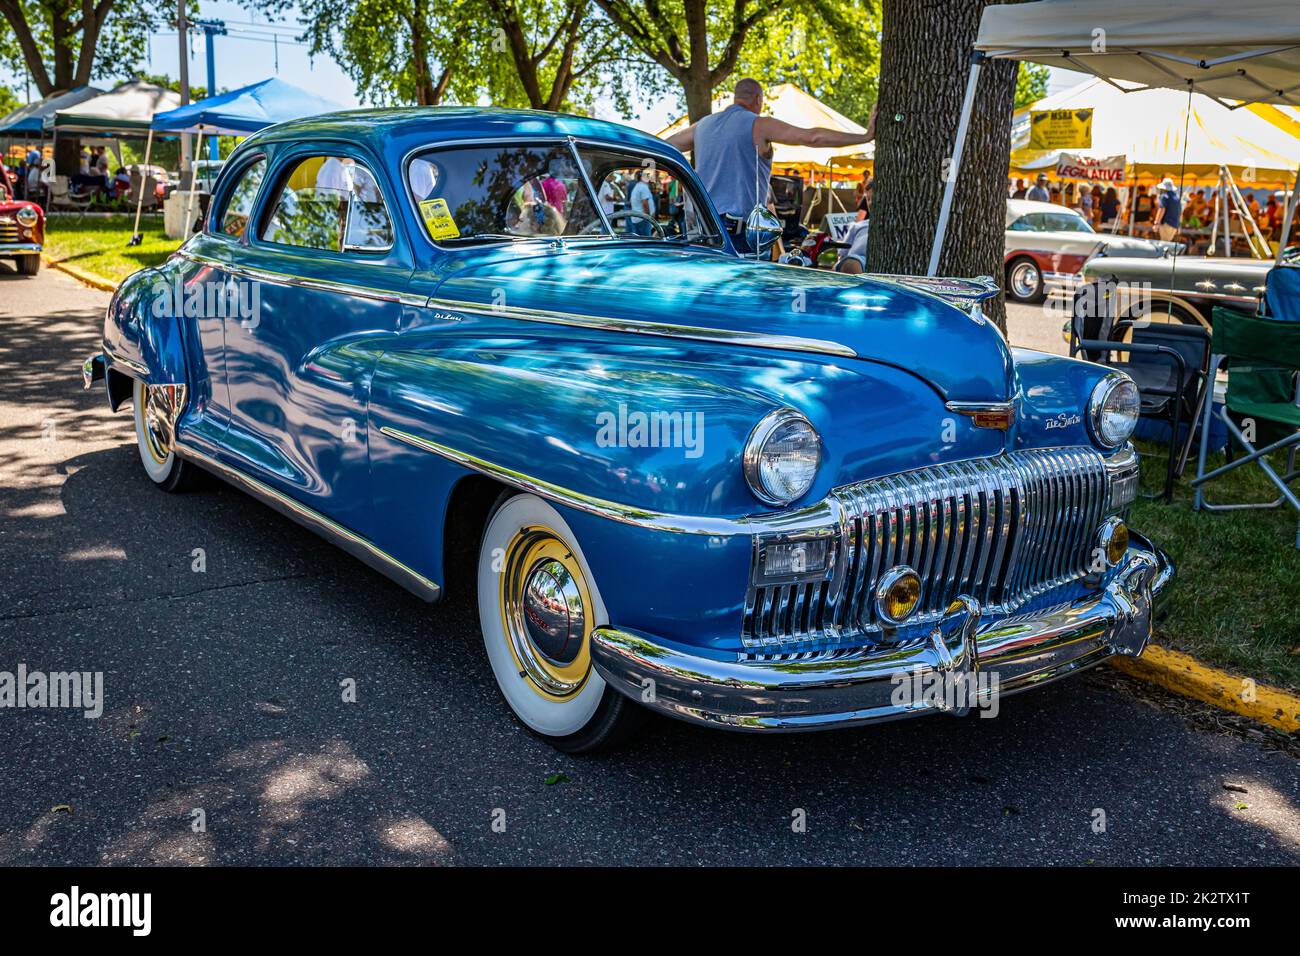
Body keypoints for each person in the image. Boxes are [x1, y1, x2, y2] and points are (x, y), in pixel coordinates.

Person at [664, 78, 875, 252]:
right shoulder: (759, 124)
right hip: (741, 234)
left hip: (703, 231)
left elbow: (665, 146)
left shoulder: (702, 126)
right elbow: (812, 137)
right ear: (758, 99)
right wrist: (865, 137)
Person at [627, 169, 657, 236]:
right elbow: (645, 203)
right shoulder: (643, 187)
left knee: (639, 240)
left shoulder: (637, 186)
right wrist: (648, 217)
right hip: (643, 219)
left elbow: (631, 202)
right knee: (646, 241)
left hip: (637, 218)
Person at [1153, 177, 1182, 242]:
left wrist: (1156, 223)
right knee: (1168, 243)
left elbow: (1162, 209)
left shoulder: (1164, 196)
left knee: (1164, 244)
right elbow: (1180, 213)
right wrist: (1179, 225)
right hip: (1174, 225)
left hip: (1166, 224)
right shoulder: (1177, 197)